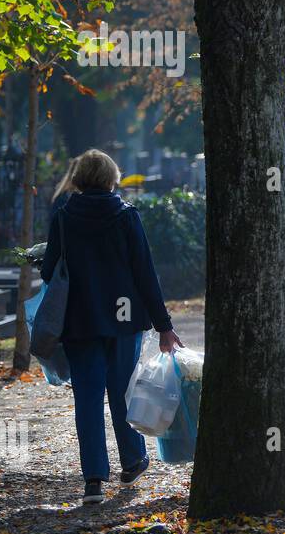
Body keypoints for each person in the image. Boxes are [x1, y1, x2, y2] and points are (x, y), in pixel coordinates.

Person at [39, 149, 180, 506]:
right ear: (110, 177)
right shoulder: (126, 216)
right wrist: (164, 325)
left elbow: (49, 271)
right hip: (124, 319)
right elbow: (144, 272)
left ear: (79, 178)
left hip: (79, 321)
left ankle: (94, 480)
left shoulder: (64, 217)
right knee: (122, 392)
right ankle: (132, 459)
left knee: (86, 398)